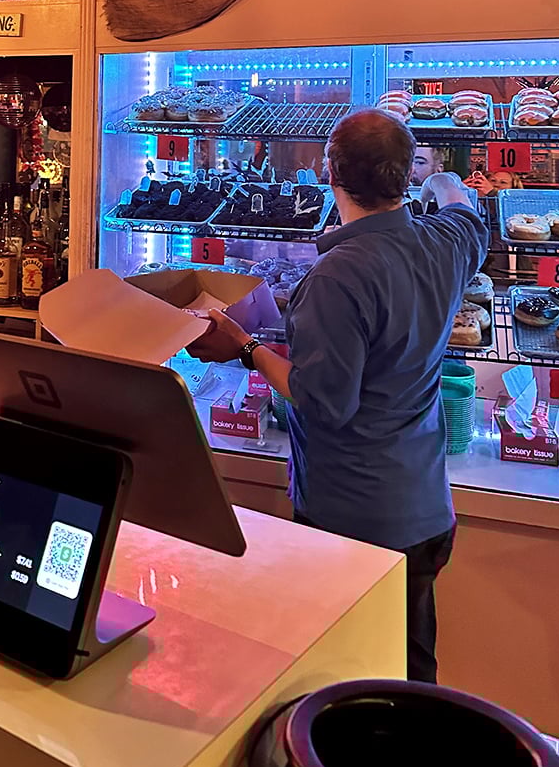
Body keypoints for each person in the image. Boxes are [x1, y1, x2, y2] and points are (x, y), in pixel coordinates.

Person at [187, 109, 489, 684]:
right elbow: (464, 208)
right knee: (411, 668)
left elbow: (324, 401)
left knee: (344, 681)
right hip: (424, 508)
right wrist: (441, 183)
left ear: (329, 171)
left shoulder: (336, 276)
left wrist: (245, 347)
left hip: (353, 516)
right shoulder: (446, 245)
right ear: (404, 174)